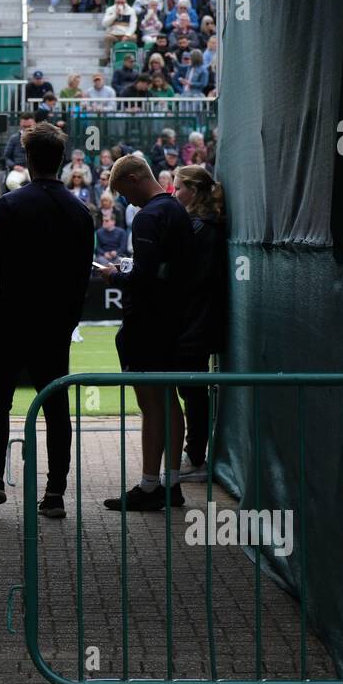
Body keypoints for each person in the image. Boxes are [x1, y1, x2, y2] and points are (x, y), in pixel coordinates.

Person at [0, 124, 95, 519]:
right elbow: (81, 276)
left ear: (28, 161)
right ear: (61, 160)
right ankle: (54, 493)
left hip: (9, 319)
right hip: (54, 323)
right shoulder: (79, 210)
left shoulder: (10, 205)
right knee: (56, 408)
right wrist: (69, 319)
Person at [98, 154, 195, 511]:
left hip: (147, 324)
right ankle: (170, 483)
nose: (126, 200)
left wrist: (114, 276)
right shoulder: (177, 212)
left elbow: (144, 277)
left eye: (125, 191)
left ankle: (150, 486)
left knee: (150, 403)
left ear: (137, 177)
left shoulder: (148, 217)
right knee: (168, 400)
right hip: (173, 320)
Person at [173, 166, 228, 482]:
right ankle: (194, 452)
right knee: (191, 388)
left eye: (178, 187)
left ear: (192, 191)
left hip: (197, 321)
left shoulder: (202, 229)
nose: (174, 193)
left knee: (192, 389)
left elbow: (194, 280)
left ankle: (196, 455)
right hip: (199, 320)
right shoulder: (205, 226)